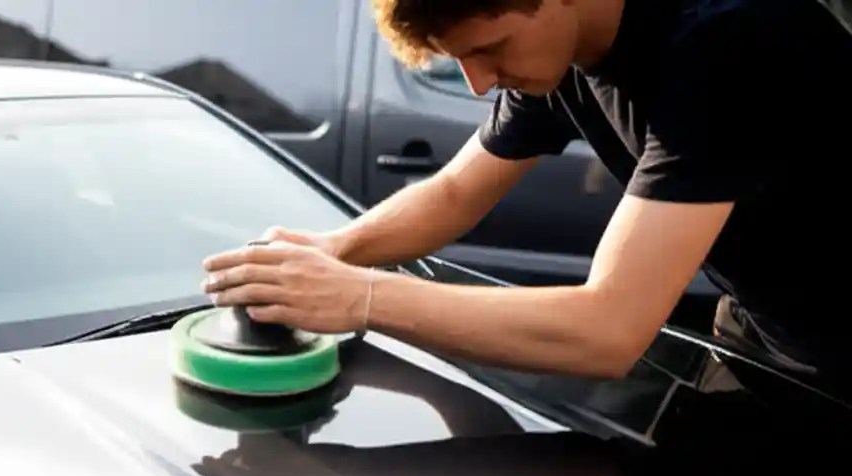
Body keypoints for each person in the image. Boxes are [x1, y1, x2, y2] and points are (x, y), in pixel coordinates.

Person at [201, 0, 852, 382]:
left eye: (490, 49)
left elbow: (608, 330)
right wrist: (334, 248)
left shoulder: (727, 42)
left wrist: (361, 296)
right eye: (460, 59)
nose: (479, 83)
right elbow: (456, 191)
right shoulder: (561, 55)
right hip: (760, 333)